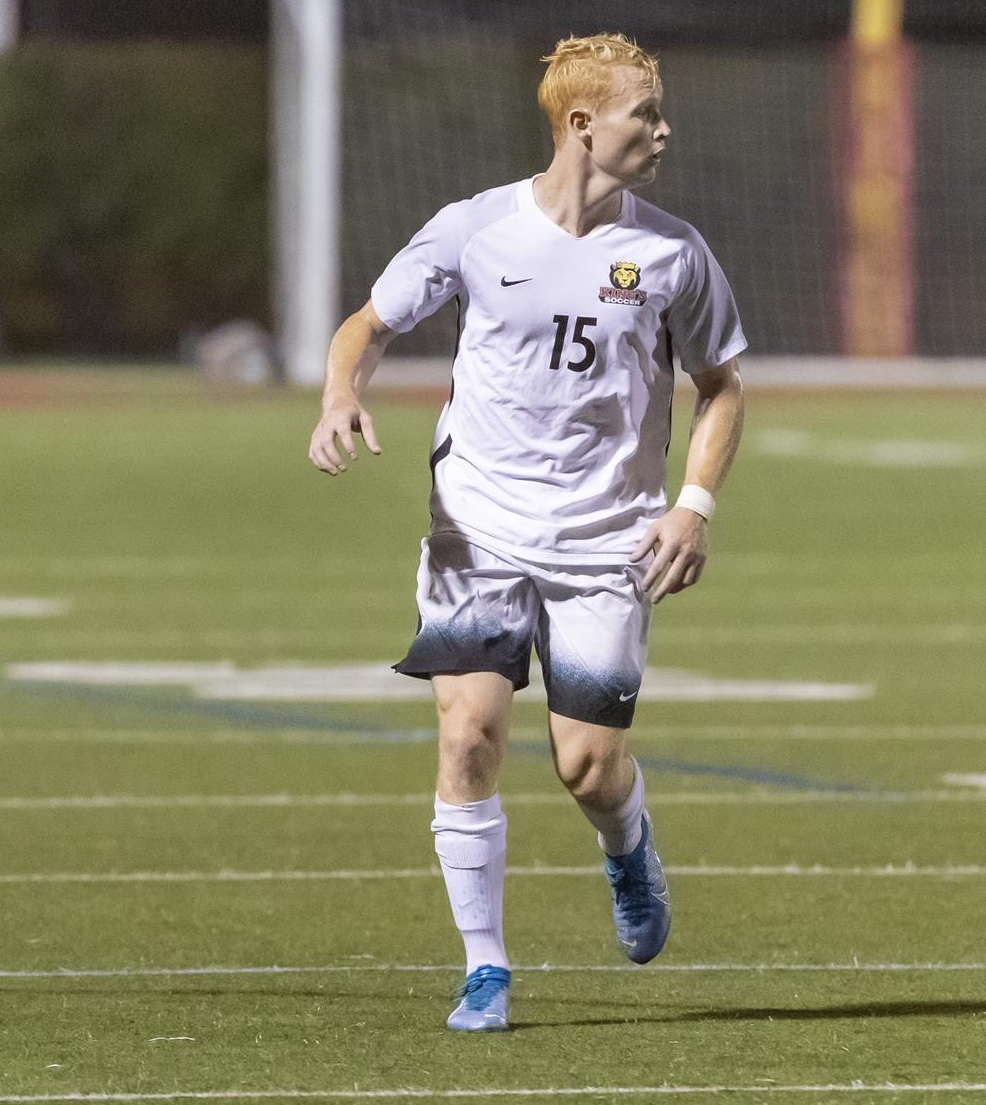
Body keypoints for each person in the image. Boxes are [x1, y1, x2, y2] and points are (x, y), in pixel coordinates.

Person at [307, 32, 748, 1033]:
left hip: (606, 540)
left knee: (585, 765)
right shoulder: (474, 230)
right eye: (648, 112)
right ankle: (484, 967)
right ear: (584, 126)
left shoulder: (671, 253)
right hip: (478, 523)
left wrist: (693, 505)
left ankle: (625, 844)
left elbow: (720, 387)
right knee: (467, 731)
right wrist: (339, 393)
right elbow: (367, 325)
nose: (664, 127)